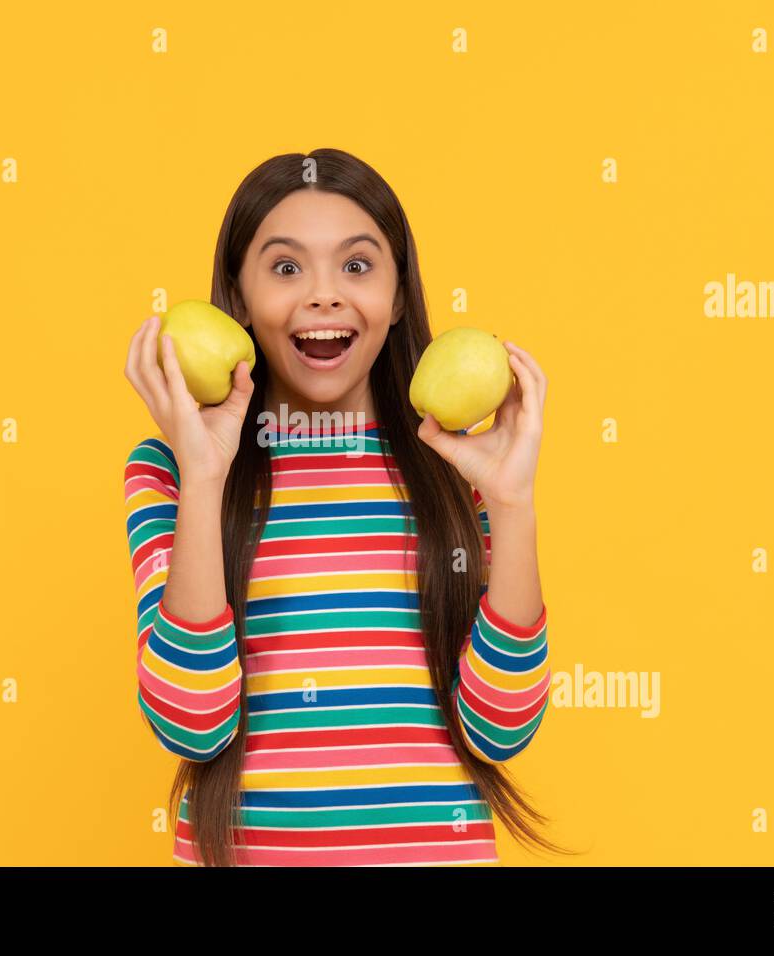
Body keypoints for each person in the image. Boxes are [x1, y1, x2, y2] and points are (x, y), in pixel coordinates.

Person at [122, 148, 573, 866]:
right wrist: (206, 477)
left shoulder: (461, 465)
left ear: (397, 299)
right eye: (286, 266)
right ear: (237, 299)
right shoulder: (171, 473)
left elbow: (501, 727)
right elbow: (192, 723)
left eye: (357, 266)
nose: (324, 295)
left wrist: (511, 502)